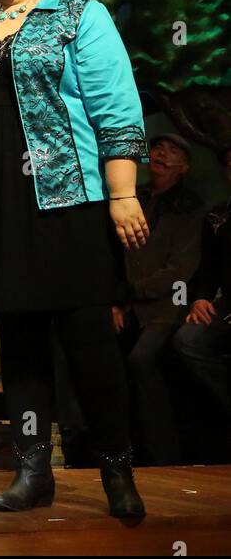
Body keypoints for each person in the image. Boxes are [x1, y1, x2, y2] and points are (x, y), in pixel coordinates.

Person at [0, 0, 150, 519]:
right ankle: (34, 468)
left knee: (90, 344)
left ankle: (117, 468)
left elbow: (116, 109)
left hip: (68, 201)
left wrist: (123, 194)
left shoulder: (80, 16)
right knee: (21, 346)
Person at [112, 134, 204, 465]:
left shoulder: (189, 208)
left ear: (185, 166)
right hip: (128, 304)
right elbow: (116, 255)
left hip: (167, 304)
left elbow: (181, 269)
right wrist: (116, 301)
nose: (162, 155)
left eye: (173, 152)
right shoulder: (133, 199)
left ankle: (162, 456)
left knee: (142, 360)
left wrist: (131, 293)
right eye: (157, 149)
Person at [172, 143, 231, 435]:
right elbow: (210, 266)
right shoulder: (218, 216)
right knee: (188, 338)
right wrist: (200, 299)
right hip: (227, 306)